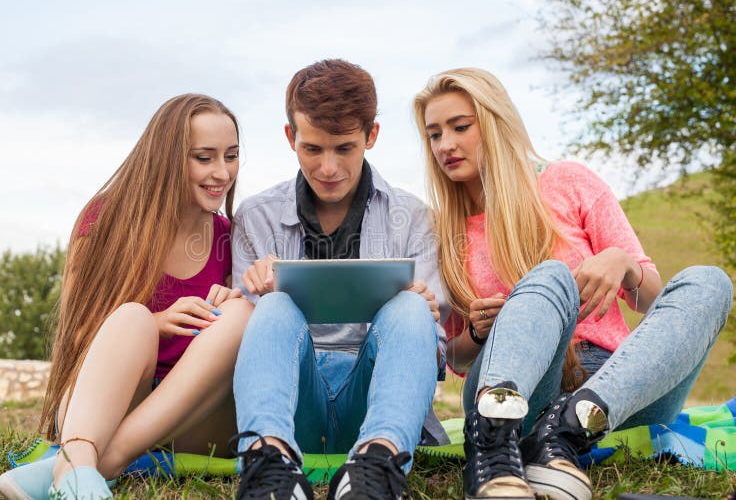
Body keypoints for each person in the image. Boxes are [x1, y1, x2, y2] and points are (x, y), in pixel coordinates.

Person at [413, 68, 733, 500]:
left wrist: (623, 264)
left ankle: (570, 428)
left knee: (709, 282)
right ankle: (496, 440)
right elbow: (454, 357)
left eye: (460, 127)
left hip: (617, 387)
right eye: (434, 134)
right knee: (550, 277)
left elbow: (653, 301)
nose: (445, 145)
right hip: (514, 391)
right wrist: (476, 331)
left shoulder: (569, 182)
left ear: (494, 122)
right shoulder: (443, 229)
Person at [0, 94, 253, 500]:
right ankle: (85, 464)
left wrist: (239, 296)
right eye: (204, 158)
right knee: (132, 317)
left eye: (232, 156)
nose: (222, 172)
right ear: (167, 157)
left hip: (192, 419)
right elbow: (75, 336)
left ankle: (76, 466)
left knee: (242, 313)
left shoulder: (229, 235)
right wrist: (157, 323)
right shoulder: (104, 219)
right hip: (103, 408)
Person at [229, 59, 448, 500]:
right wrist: (251, 296)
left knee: (409, 305)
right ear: (291, 137)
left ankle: (377, 464)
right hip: (295, 403)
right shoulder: (255, 217)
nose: (328, 168)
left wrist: (423, 315)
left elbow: (436, 357)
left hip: (374, 398)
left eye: (344, 148)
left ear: (371, 136)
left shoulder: (415, 219)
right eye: (313, 149)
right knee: (271, 304)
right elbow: (239, 347)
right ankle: (269, 464)